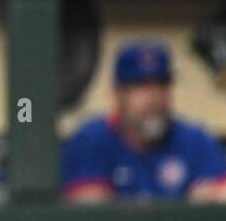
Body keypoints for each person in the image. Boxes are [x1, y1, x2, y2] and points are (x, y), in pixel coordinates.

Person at [61, 41, 226, 202]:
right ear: (117, 94)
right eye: (141, 86)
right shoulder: (90, 140)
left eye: (161, 84)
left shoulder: (195, 139)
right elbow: (87, 210)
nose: (153, 97)